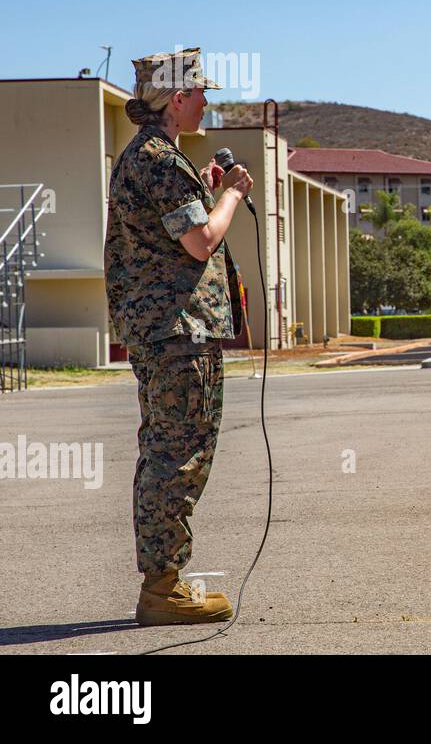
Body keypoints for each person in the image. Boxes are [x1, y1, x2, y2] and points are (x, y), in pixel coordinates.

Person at [105, 48, 252, 626]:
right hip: (176, 332)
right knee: (178, 453)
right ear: (176, 99)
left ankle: (163, 579)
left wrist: (209, 190)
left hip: (166, 330)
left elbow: (175, 229)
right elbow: (200, 242)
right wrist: (232, 195)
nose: (207, 101)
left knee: (169, 450)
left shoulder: (148, 158)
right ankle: (163, 587)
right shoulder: (159, 160)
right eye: (199, 92)